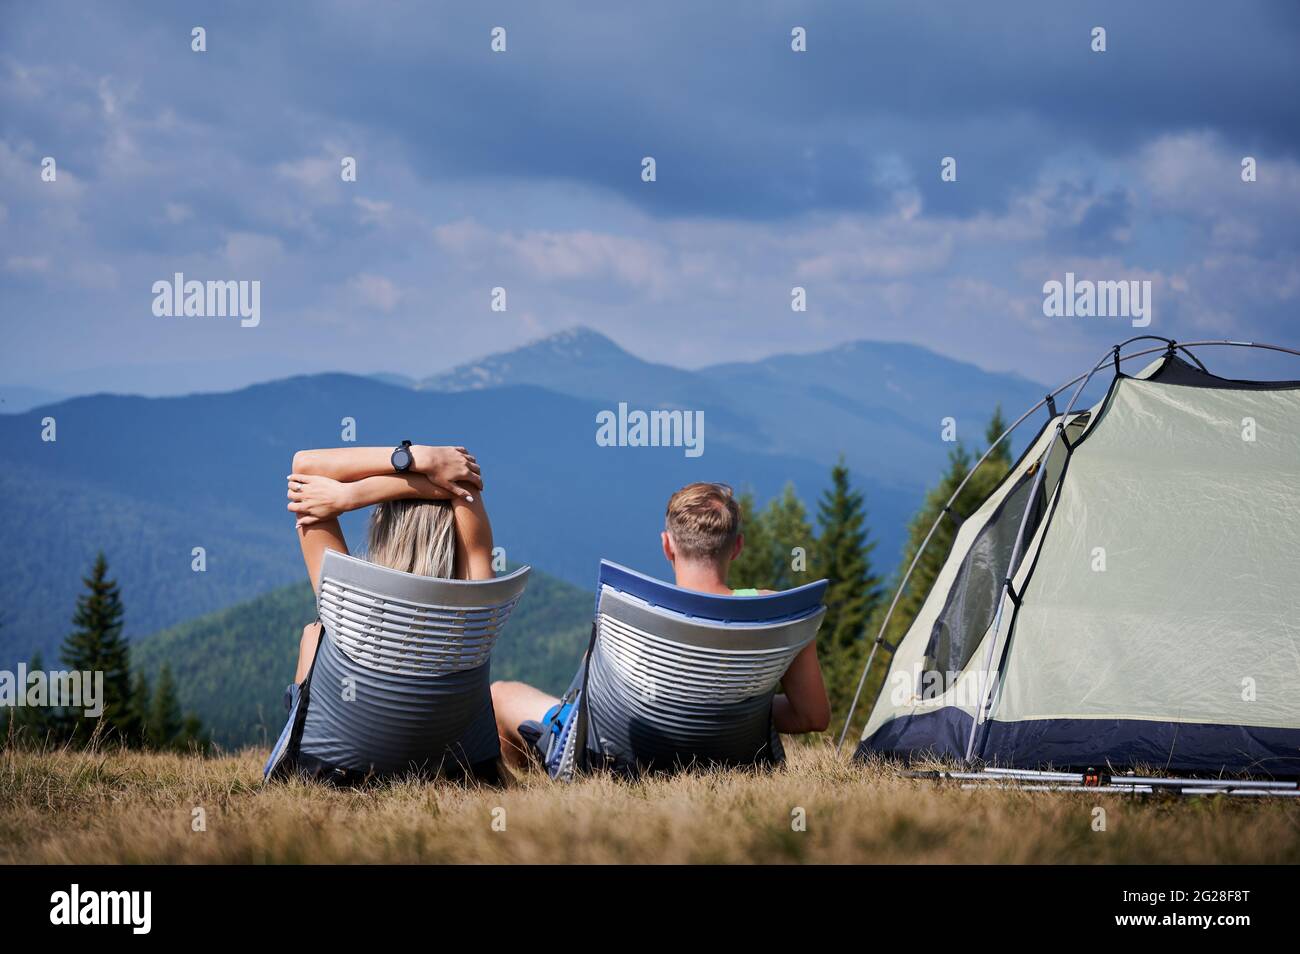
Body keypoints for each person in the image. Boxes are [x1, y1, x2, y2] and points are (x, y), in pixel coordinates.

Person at [491, 481, 831, 769]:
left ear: (667, 546)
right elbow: (812, 717)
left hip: (619, 762)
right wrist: (735, 707)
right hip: (735, 758)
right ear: (737, 547)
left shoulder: (625, 612)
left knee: (501, 694)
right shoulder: (780, 612)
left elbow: (588, 703)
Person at [283, 443, 489, 686]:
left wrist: (416, 458)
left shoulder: (344, 602)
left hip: (349, 723)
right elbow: (464, 486)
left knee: (313, 634)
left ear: (381, 528)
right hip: (450, 725)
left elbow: (304, 468)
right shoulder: (478, 602)